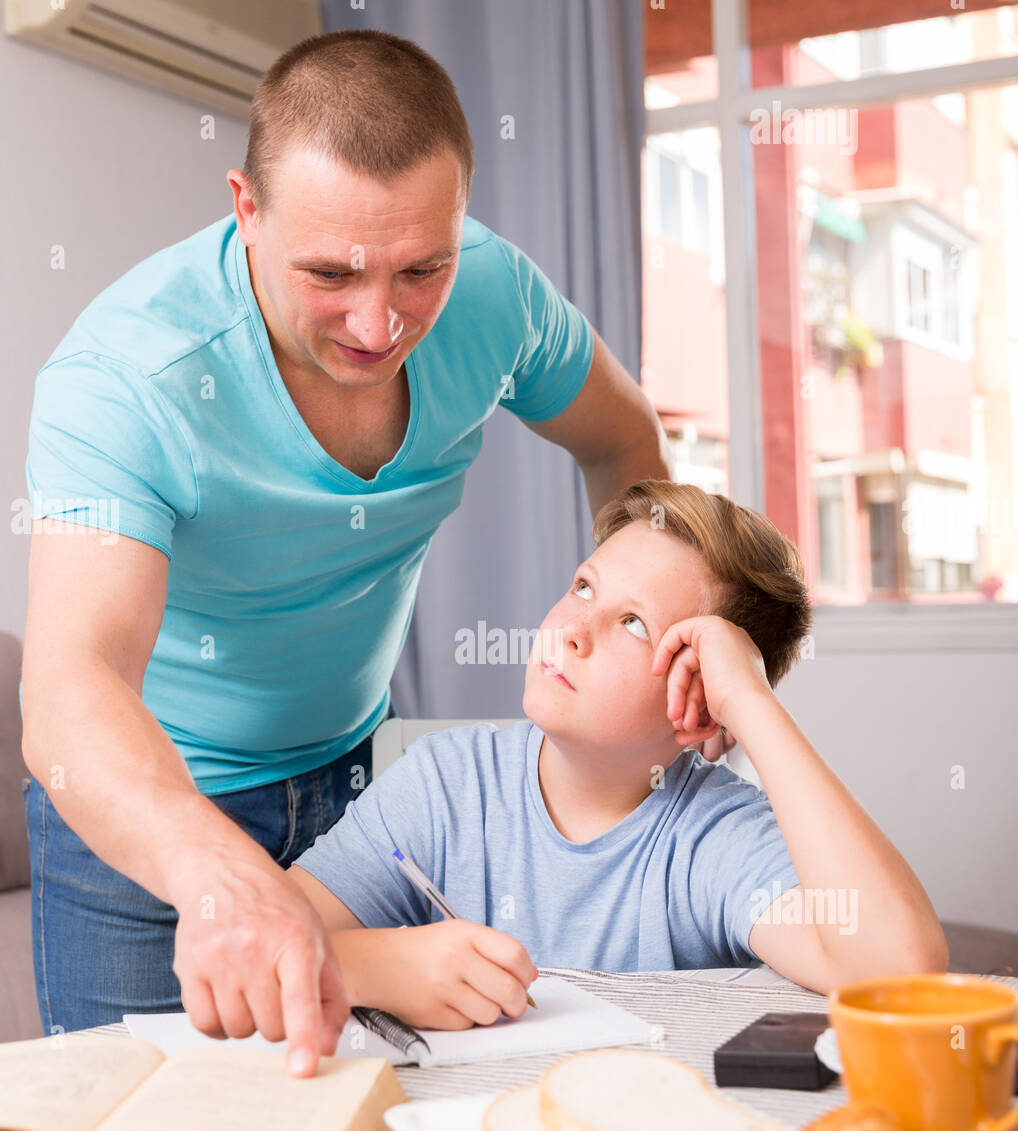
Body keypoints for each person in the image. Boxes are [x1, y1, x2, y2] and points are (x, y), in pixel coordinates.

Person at [20, 30, 731, 1075]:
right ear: (246, 208)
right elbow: (71, 691)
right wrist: (227, 879)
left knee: (385, 1126)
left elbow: (622, 442)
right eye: (330, 273)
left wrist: (648, 637)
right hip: (146, 814)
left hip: (359, 784)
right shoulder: (128, 375)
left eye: (421, 268)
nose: (377, 321)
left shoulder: (494, 296)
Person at [286, 480, 949, 1026]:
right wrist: (376, 966)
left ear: (701, 703)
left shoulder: (711, 837)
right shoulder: (445, 785)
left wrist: (753, 706)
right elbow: (261, 940)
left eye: (634, 624)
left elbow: (900, 968)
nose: (573, 629)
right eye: (583, 587)